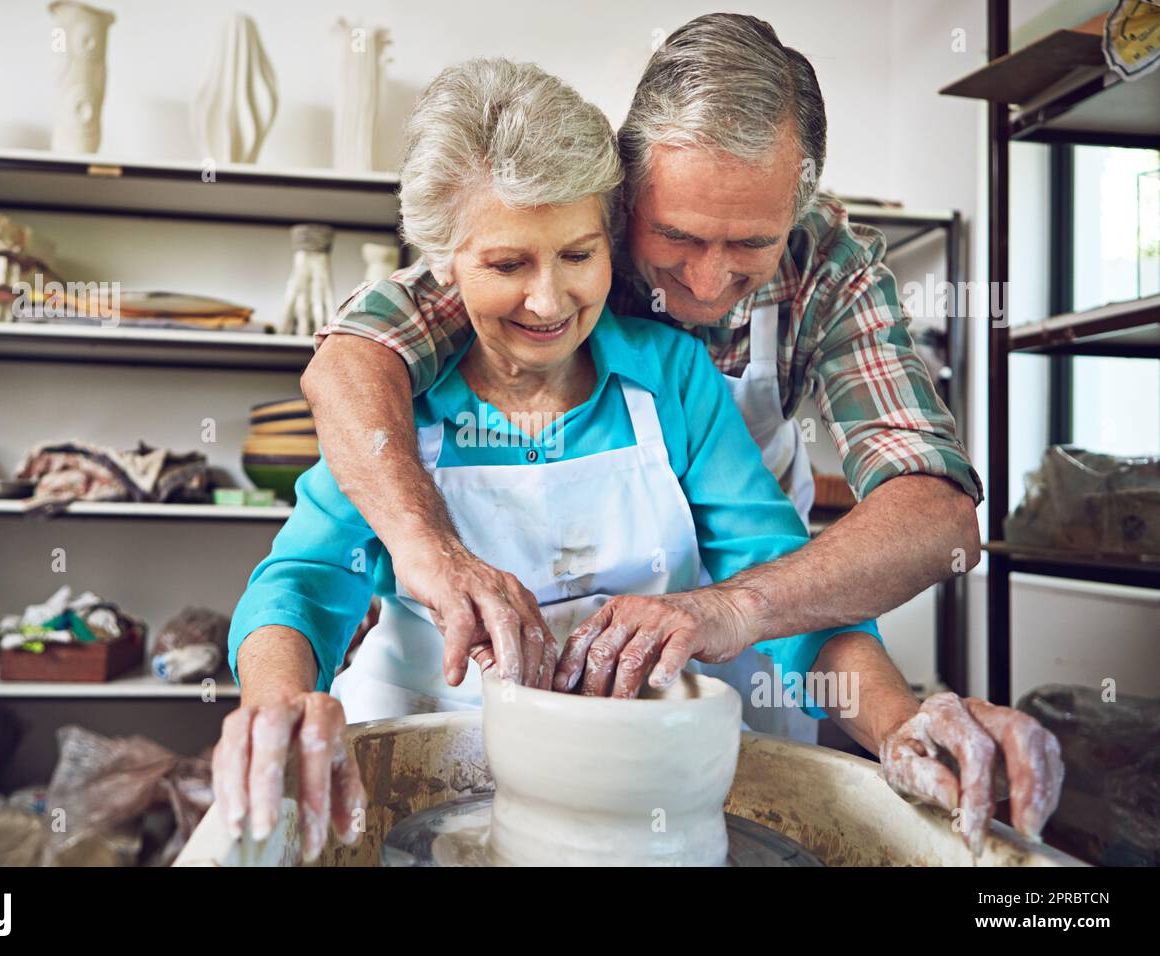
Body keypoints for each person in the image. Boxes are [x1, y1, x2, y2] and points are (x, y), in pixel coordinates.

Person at [211, 57, 1062, 863]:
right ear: (443, 269)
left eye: (578, 256)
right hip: (425, 741)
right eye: (507, 264)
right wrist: (276, 702)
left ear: (606, 237)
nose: (549, 300)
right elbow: (304, 582)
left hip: (649, 779)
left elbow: (787, 584)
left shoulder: (674, 377)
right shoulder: (403, 403)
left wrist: (899, 721)